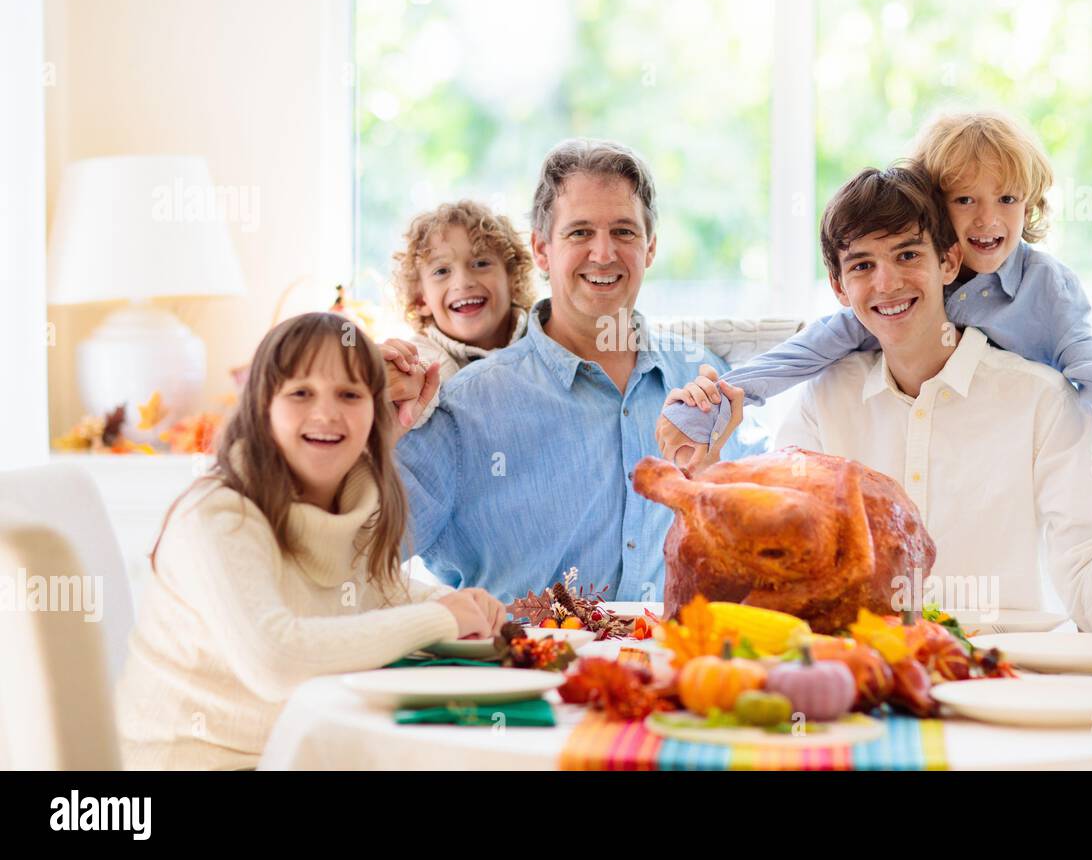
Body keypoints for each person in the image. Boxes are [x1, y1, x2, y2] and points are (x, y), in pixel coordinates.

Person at [678, 163, 1092, 635]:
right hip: (862, 691)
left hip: (995, 688)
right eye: (863, 265)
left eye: (908, 255)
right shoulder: (826, 398)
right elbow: (769, 580)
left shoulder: (1040, 402)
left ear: (949, 261)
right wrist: (703, 474)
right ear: (839, 287)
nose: (887, 283)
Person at [658, 109, 1092, 470]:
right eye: (965, 201)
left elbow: (1085, 358)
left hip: (1019, 459)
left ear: (1028, 205)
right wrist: (721, 398)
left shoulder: (1046, 285)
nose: (989, 220)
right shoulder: (901, 291)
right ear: (934, 209)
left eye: (1008, 199)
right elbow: (810, 349)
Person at [115, 312, 504, 770]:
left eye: (349, 394)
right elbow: (276, 658)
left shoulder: (348, 499)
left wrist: (458, 605)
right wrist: (439, 618)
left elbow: (372, 595)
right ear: (262, 407)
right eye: (301, 393)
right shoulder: (219, 514)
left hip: (299, 751)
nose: (326, 413)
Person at [392, 138, 764, 605]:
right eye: (580, 233)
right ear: (542, 251)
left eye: (625, 232)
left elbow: (762, 557)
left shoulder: (709, 384)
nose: (604, 253)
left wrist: (711, 489)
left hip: (678, 670)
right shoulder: (463, 410)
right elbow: (358, 557)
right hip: (521, 674)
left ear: (650, 248)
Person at [385, 199, 537, 429]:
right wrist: (408, 380)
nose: (463, 282)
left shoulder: (543, 337)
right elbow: (420, 373)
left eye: (481, 263)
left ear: (512, 280)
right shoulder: (423, 356)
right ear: (420, 299)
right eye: (442, 271)